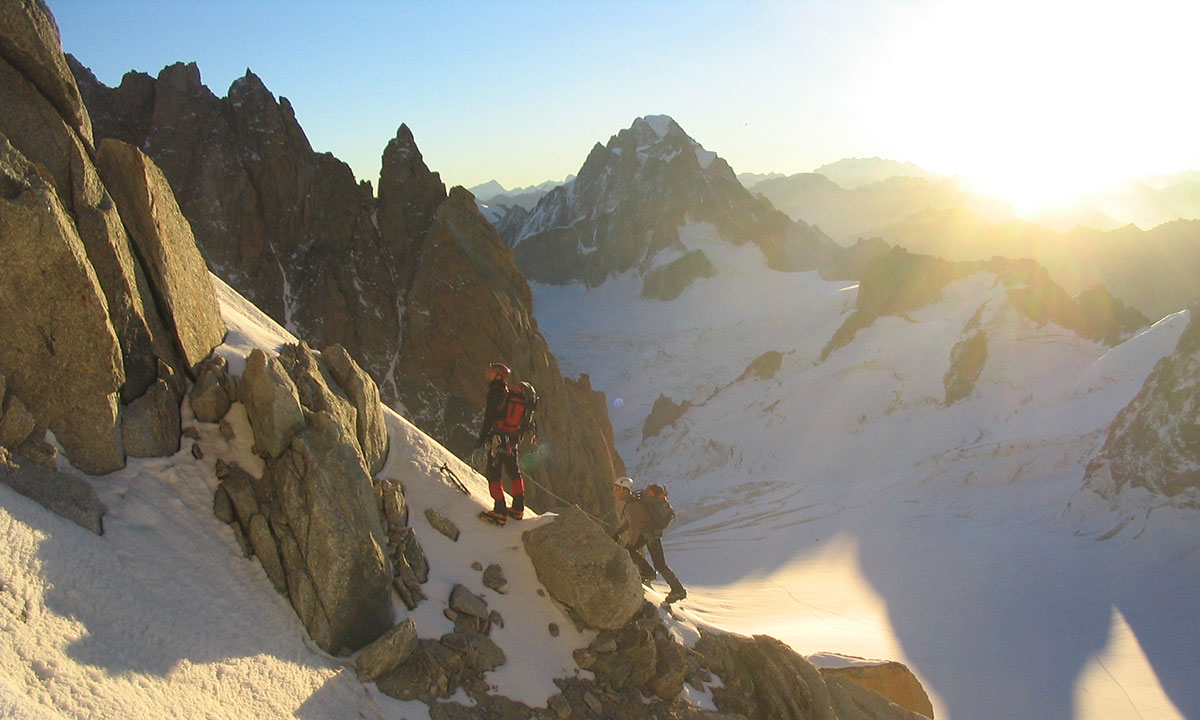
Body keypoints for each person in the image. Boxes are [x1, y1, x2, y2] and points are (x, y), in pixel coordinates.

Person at [611, 476, 686, 603]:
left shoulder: (631, 505)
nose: (615, 492)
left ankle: (676, 588)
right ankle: (650, 574)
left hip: (651, 535)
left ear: (625, 490)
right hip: (649, 533)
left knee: (658, 563)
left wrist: (630, 544)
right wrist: (619, 531)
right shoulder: (632, 502)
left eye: (617, 489)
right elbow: (631, 521)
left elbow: (634, 527)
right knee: (656, 562)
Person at [475, 362, 530, 522]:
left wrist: (482, 437)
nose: (488, 373)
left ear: (499, 375)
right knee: (514, 472)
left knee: (493, 474)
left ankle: (499, 511)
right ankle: (518, 508)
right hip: (511, 439)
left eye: (491, 371)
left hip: (498, 440)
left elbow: (489, 417)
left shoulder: (495, 392)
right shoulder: (509, 393)